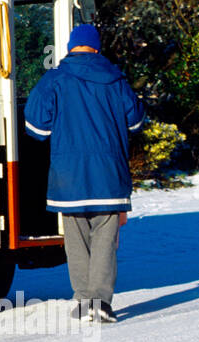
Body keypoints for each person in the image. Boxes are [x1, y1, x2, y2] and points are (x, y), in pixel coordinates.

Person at [23, 24, 145, 323]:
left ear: (71, 47)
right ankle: (101, 303)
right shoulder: (116, 80)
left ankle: (81, 302)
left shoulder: (53, 80)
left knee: (76, 240)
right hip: (109, 174)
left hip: (69, 176)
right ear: (96, 47)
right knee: (105, 239)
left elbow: (36, 128)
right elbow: (136, 121)